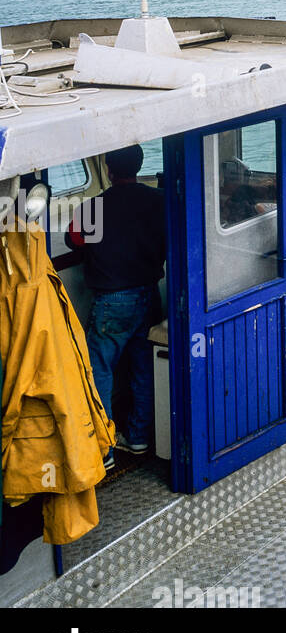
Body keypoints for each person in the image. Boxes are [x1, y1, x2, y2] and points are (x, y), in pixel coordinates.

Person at [68, 145, 167, 466]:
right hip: (148, 294)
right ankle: (137, 437)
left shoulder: (93, 208)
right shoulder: (158, 201)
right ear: (139, 166)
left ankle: (104, 449)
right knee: (142, 367)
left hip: (112, 301)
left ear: (108, 169)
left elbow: (74, 241)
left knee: (99, 372)